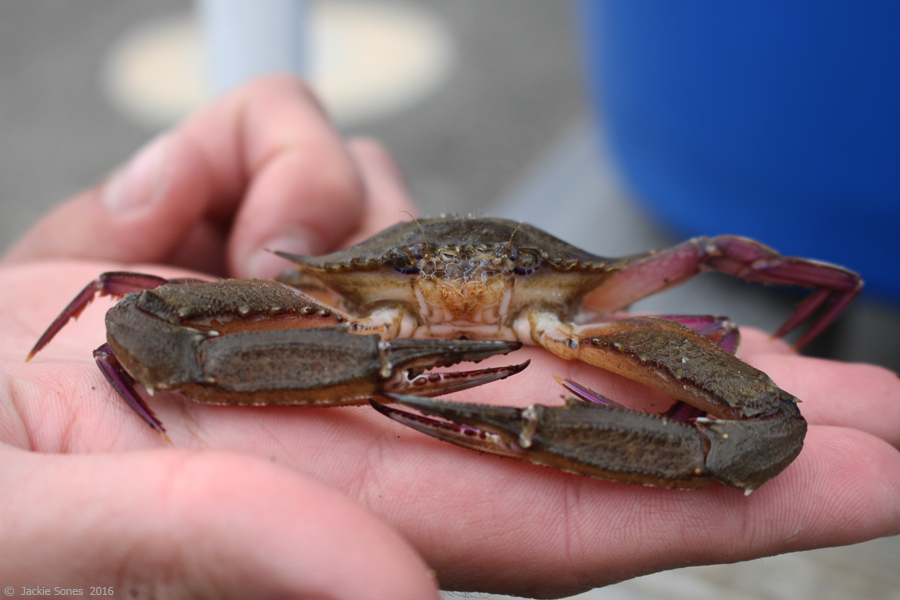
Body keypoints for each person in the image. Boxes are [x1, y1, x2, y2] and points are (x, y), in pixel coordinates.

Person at [1, 76, 898, 599]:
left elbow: (740, 370)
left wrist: (682, 408)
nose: (464, 285)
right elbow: (131, 317)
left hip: (554, 305)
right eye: (434, 268)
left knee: (759, 412)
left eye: (490, 271)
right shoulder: (328, 290)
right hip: (419, 306)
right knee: (139, 312)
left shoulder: (595, 306)